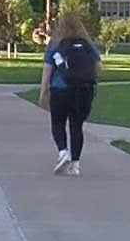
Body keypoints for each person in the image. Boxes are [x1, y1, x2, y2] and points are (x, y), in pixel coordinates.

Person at [38, 11, 100, 176]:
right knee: (76, 126)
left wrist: (43, 91)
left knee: (57, 123)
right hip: (82, 91)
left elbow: (47, 70)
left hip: (60, 90)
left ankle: (63, 151)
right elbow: (97, 67)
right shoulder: (87, 44)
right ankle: (75, 164)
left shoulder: (55, 44)